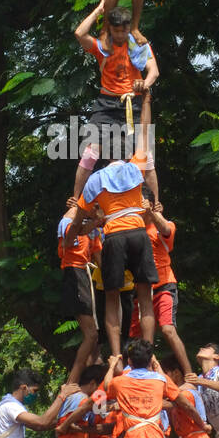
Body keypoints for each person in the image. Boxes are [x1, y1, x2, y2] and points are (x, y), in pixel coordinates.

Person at [72, 3, 159, 205]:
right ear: (109, 28)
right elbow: (79, 33)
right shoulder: (103, 46)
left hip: (133, 103)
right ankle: (76, 201)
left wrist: (143, 84)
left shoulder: (138, 45)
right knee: (91, 151)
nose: (121, 34)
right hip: (107, 104)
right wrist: (99, 10)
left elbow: (153, 71)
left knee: (145, 155)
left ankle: (156, 204)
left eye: (124, 30)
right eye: (117, 30)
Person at [73, 152, 159, 355]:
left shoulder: (95, 179)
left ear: (105, 158)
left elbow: (78, 222)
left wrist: (88, 222)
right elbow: (145, 135)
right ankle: (149, 356)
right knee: (145, 298)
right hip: (138, 234)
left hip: (114, 237)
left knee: (112, 299)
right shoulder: (135, 166)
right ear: (127, 155)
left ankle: (116, 356)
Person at [128, 195, 190, 374]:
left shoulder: (164, 224)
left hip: (163, 284)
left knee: (168, 329)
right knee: (135, 336)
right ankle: (137, 371)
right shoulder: (133, 227)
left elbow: (166, 230)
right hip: (140, 287)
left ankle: (188, 373)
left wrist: (153, 213)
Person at [57, 202, 101, 382]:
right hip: (74, 272)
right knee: (91, 334)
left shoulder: (94, 230)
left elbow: (100, 259)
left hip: (87, 275)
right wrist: (94, 221)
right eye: (97, 207)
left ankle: (89, 377)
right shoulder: (70, 221)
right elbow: (66, 243)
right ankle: (72, 381)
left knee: (97, 336)